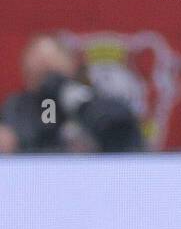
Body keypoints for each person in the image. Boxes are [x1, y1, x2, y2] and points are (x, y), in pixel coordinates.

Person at [0, 34, 143, 153]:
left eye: (49, 69)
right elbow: (40, 133)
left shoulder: (98, 96)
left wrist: (67, 92)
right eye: (37, 72)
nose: (47, 82)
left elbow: (120, 128)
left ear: (71, 64)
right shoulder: (17, 108)